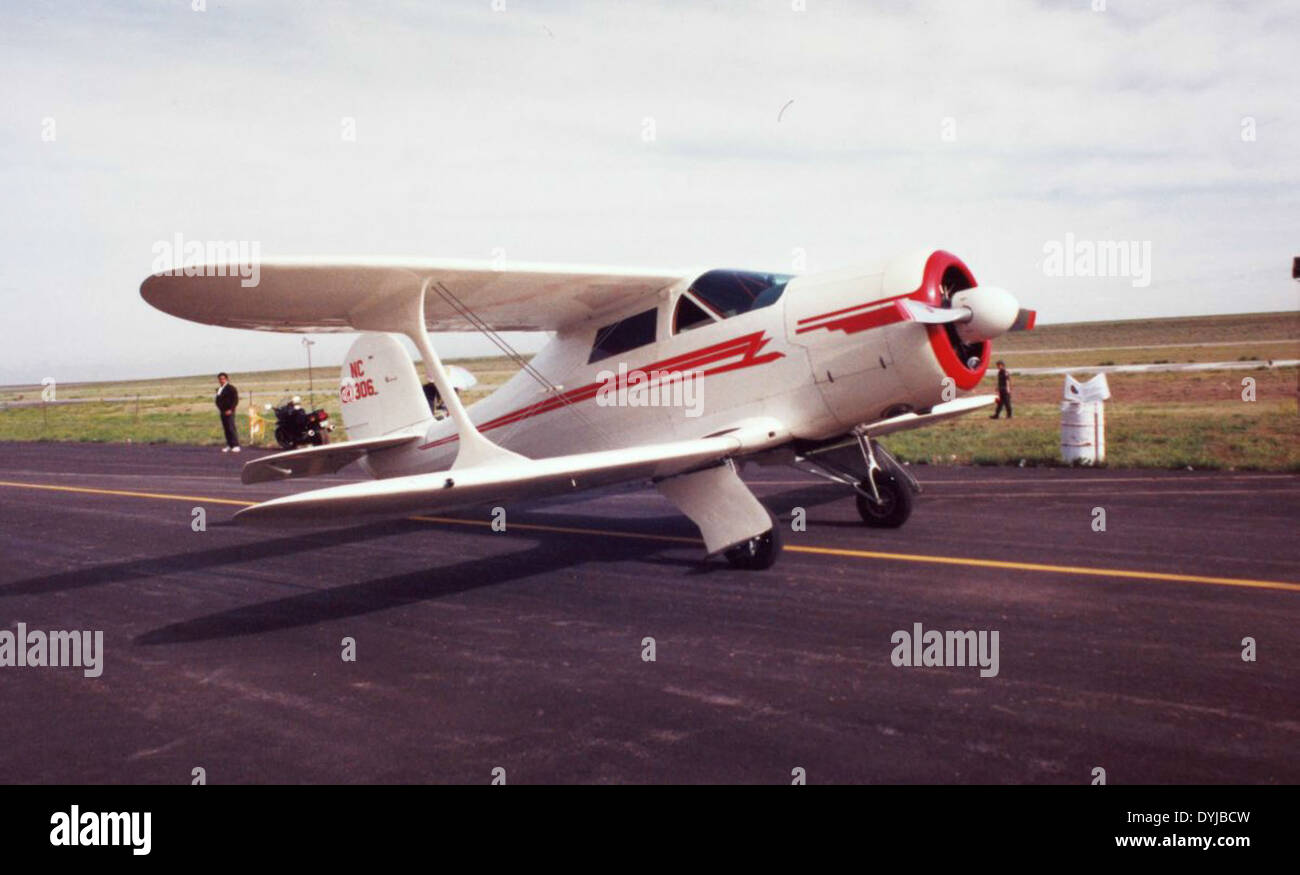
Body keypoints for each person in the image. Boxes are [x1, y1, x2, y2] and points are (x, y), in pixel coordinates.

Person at [215, 372, 241, 452]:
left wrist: (231, 409)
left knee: (231, 427)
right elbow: (218, 400)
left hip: (229, 411)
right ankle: (229, 445)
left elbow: (235, 400)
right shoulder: (220, 389)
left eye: (223, 379)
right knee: (226, 428)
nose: (221, 380)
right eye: (220, 379)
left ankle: (236, 445)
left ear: (226, 379)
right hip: (222, 411)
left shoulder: (231, 388)